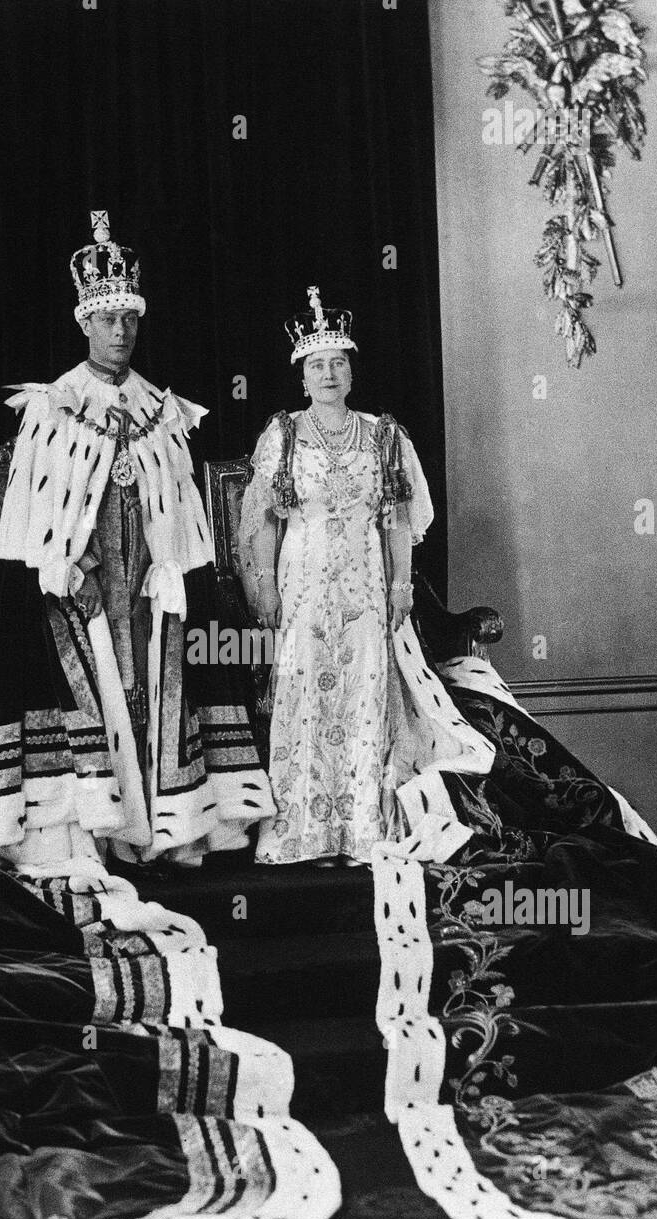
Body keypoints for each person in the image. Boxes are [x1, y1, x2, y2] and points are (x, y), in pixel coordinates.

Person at [0, 212, 274, 868]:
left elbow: (182, 515)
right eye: (108, 321)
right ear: (86, 323)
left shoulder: (162, 408)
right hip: (80, 592)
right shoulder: (54, 408)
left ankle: (161, 829)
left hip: (147, 589)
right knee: (94, 695)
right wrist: (65, 566)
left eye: (129, 320)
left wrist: (171, 566)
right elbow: (32, 522)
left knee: (152, 689)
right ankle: (90, 828)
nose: (121, 331)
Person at [238, 287, 435, 867]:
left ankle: (362, 830)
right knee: (305, 694)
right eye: (317, 365)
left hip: (366, 584)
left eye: (338, 363)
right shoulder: (284, 433)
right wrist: (266, 587)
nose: (328, 373)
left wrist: (401, 583)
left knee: (364, 692)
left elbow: (398, 518)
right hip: (302, 583)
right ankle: (304, 831)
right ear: (302, 377)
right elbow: (263, 521)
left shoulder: (384, 435)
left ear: (351, 372)